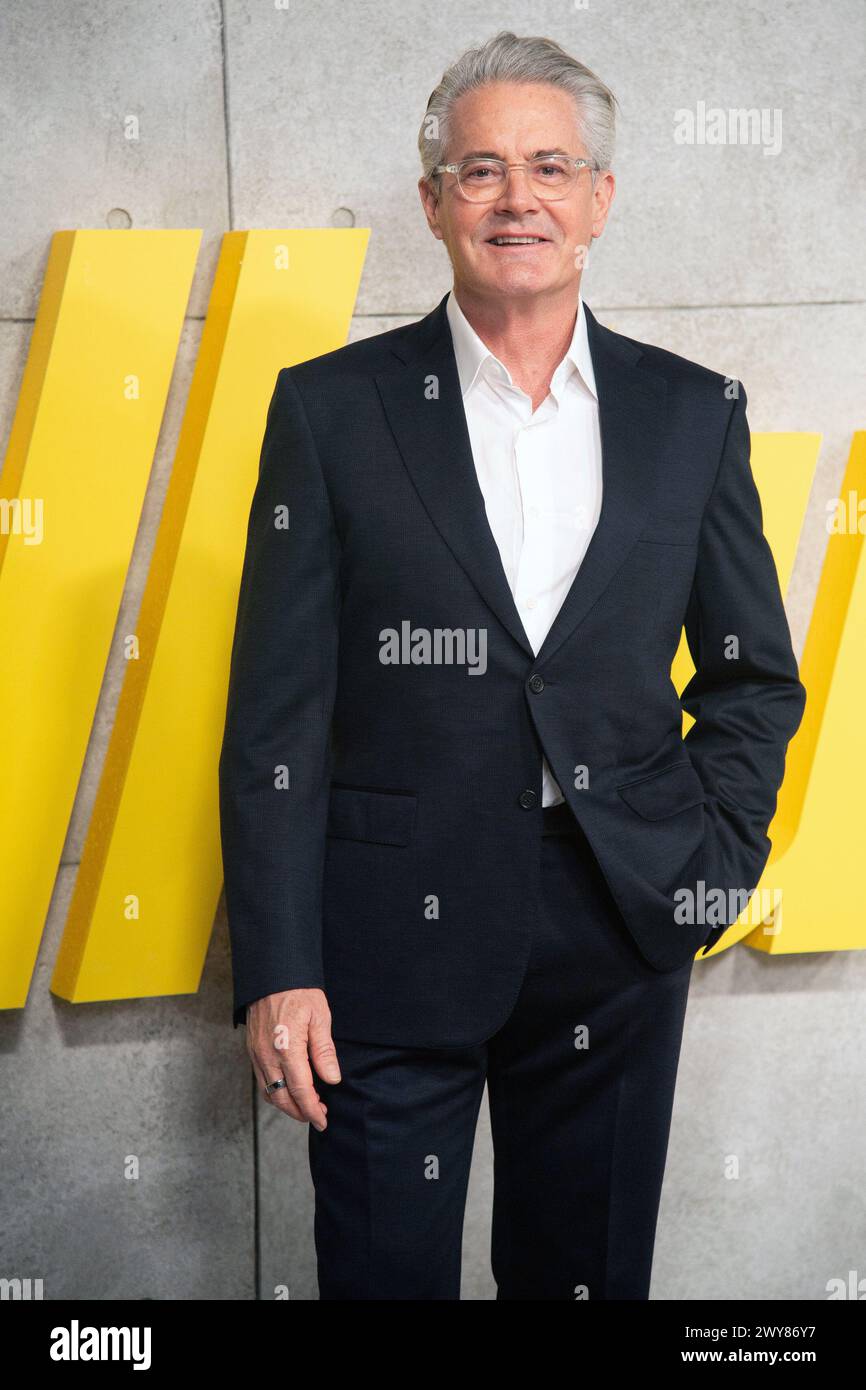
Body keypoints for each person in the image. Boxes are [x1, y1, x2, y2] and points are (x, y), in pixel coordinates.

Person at [218, 30, 806, 1299]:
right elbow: (276, 715)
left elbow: (751, 675)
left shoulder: (691, 412)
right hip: (382, 939)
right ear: (431, 201)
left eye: (549, 166)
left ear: (600, 196)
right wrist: (278, 965)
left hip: (617, 914)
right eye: (478, 171)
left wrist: (706, 866)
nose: (515, 198)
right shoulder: (329, 410)